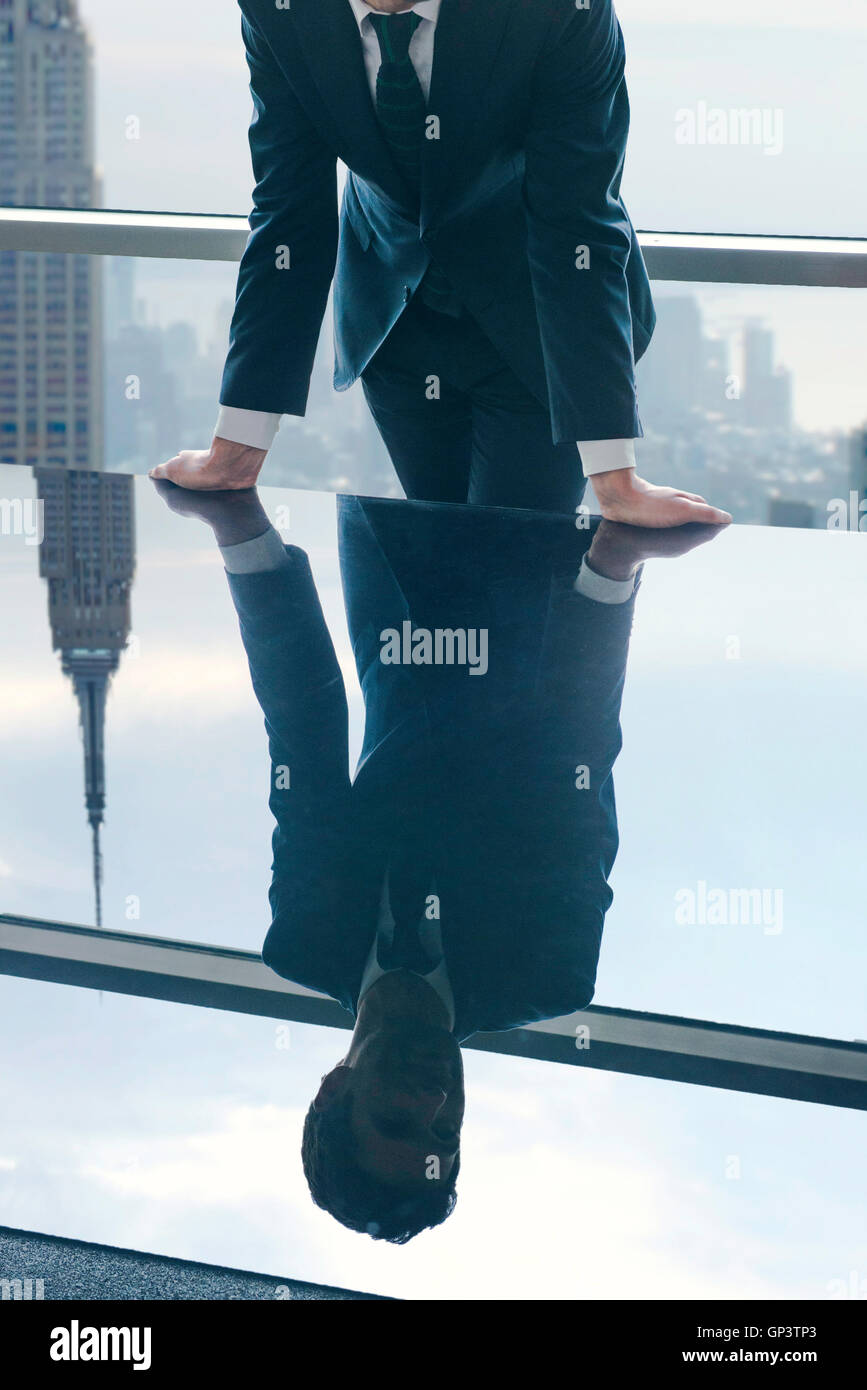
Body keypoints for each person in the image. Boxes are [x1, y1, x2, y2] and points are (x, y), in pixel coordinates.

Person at [153, 477, 726, 1239]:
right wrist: (611, 567)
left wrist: (239, 530)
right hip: (545, 577)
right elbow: (574, 755)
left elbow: (303, 728)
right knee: (544, 379)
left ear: (332, 1092)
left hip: (392, 566)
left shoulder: (306, 942)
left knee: (393, 366)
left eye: (396, 1119)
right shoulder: (547, 974)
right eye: (444, 1136)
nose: (431, 1105)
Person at [150, 0, 730, 528]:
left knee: (516, 583)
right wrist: (237, 446)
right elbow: (287, 215)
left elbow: (575, 221)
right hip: (395, 316)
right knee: (420, 582)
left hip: (541, 324)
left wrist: (614, 476)